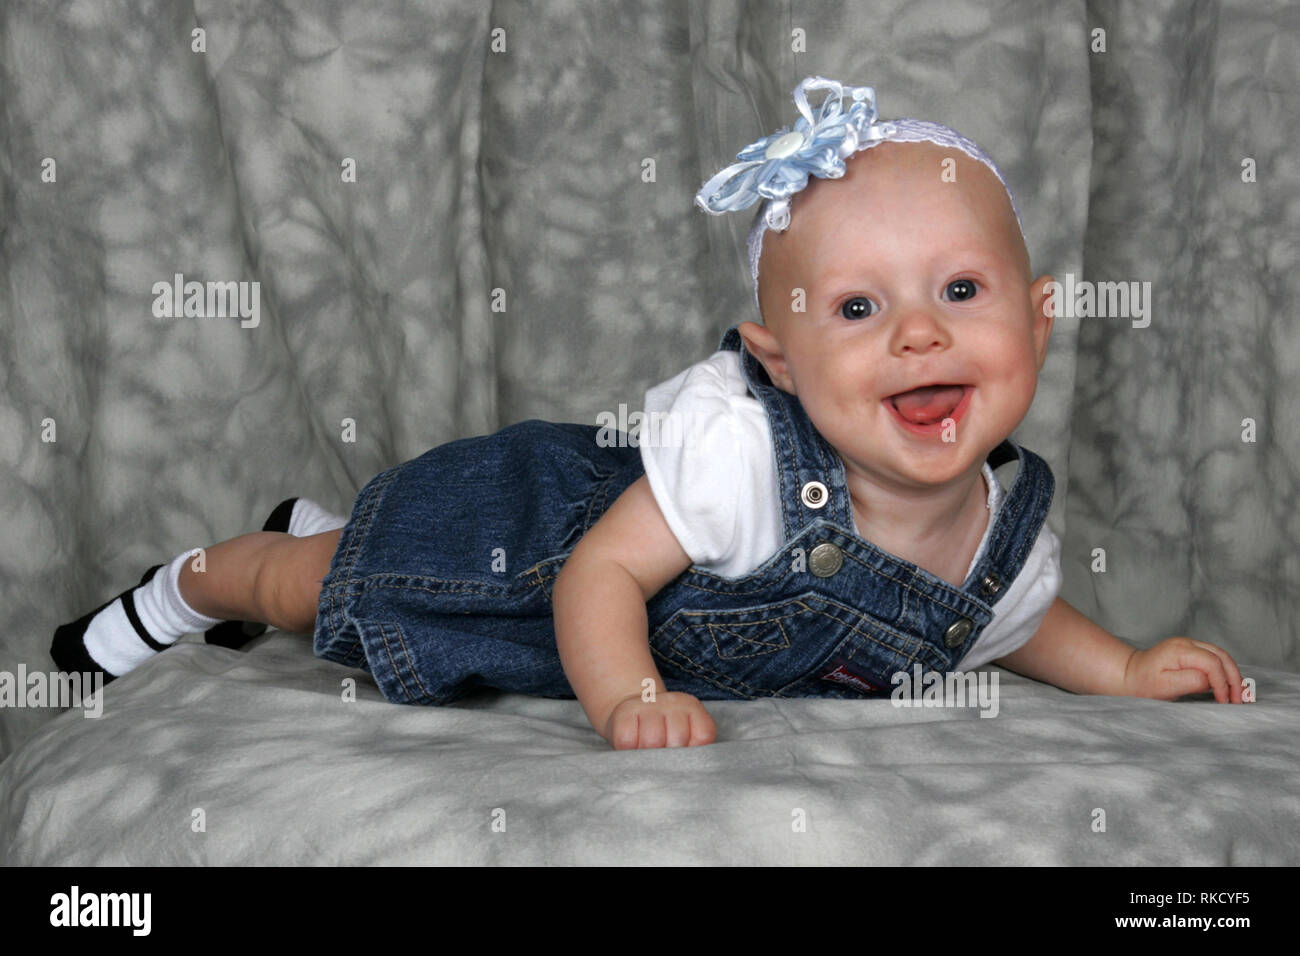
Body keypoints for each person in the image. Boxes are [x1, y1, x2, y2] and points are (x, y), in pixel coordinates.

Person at [52, 76, 1247, 751]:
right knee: (317, 585)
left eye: (960, 291)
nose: (918, 334)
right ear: (777, 363)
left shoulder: (998, 521)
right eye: (857, 307)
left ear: (1038, 319)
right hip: (524, 550)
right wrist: (626, 697)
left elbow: (1008, 619)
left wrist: (1130, 666)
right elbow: (595, 582)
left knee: (337, 553)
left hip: (601, 590)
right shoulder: (735, 445)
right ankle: (187, 584)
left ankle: (313, 520)